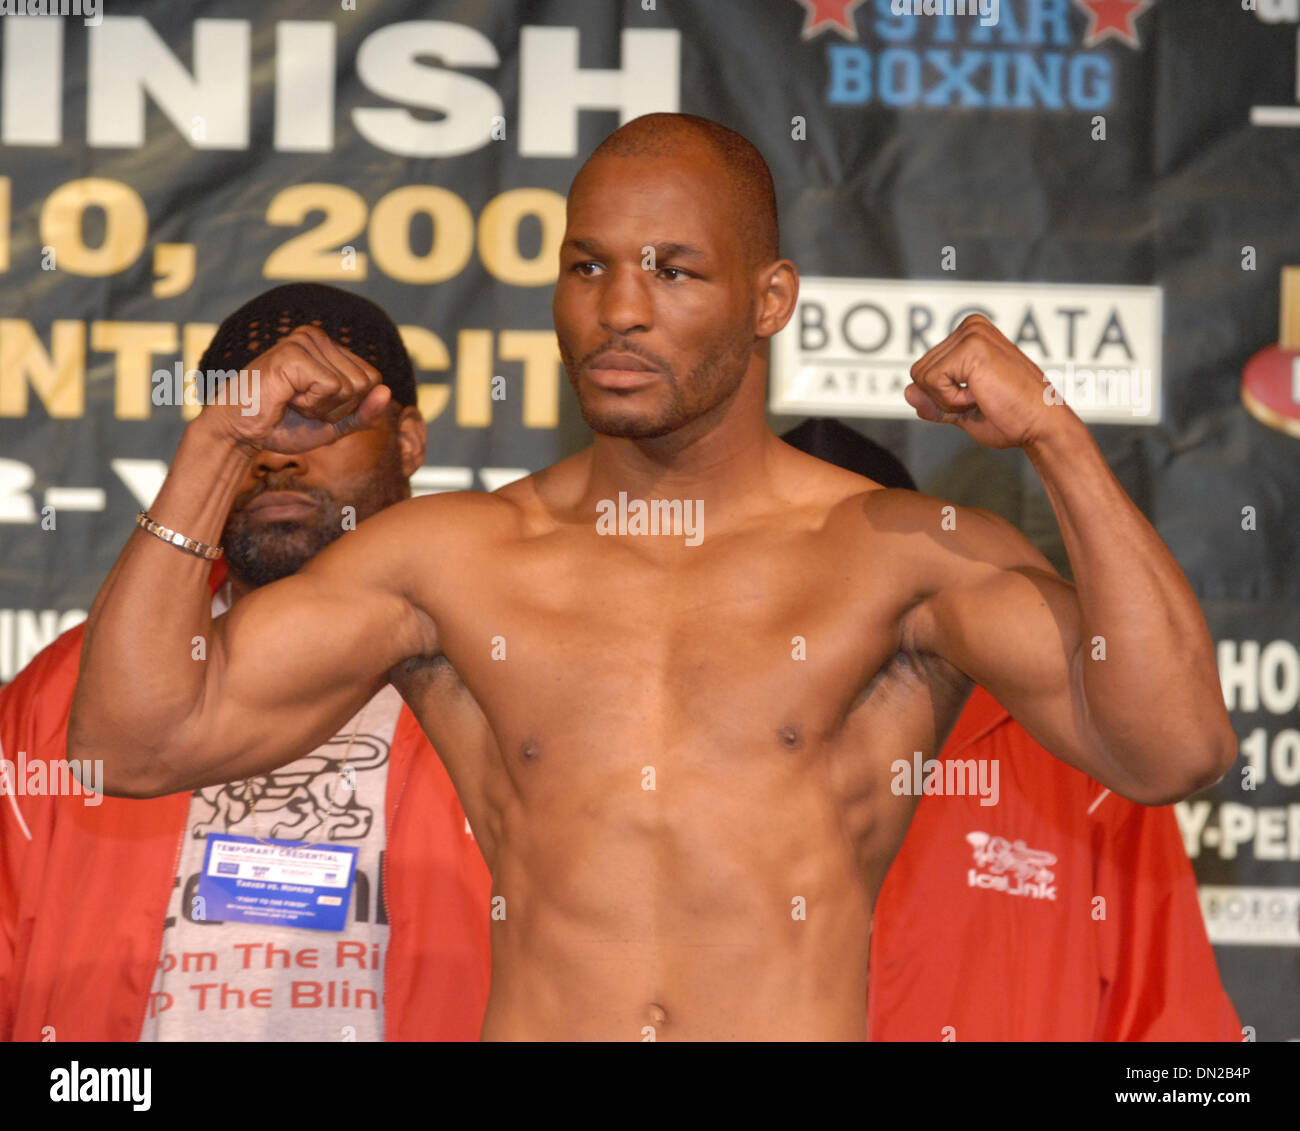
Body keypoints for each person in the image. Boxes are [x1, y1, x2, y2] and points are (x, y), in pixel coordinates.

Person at [69, 114, 1236, 1041]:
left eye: (674, 271)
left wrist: (1058, 441)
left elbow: (1169, 747)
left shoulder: (899, 553)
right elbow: (132, 746)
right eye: (590, 267)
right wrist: (216, 444)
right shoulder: (458, 560)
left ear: (769, 299)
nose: (621, 310)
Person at [0, 284, 492, 1041]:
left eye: (317, 421)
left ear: (408, 440)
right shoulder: (70, 693)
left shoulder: (497, 677)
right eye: (252, 423)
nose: (277, 454)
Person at [781, 418, 1241, 1041]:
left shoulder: (1088, 749)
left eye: (851, 579)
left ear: (920, 587)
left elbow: (1179, 1043)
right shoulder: (657, 741)